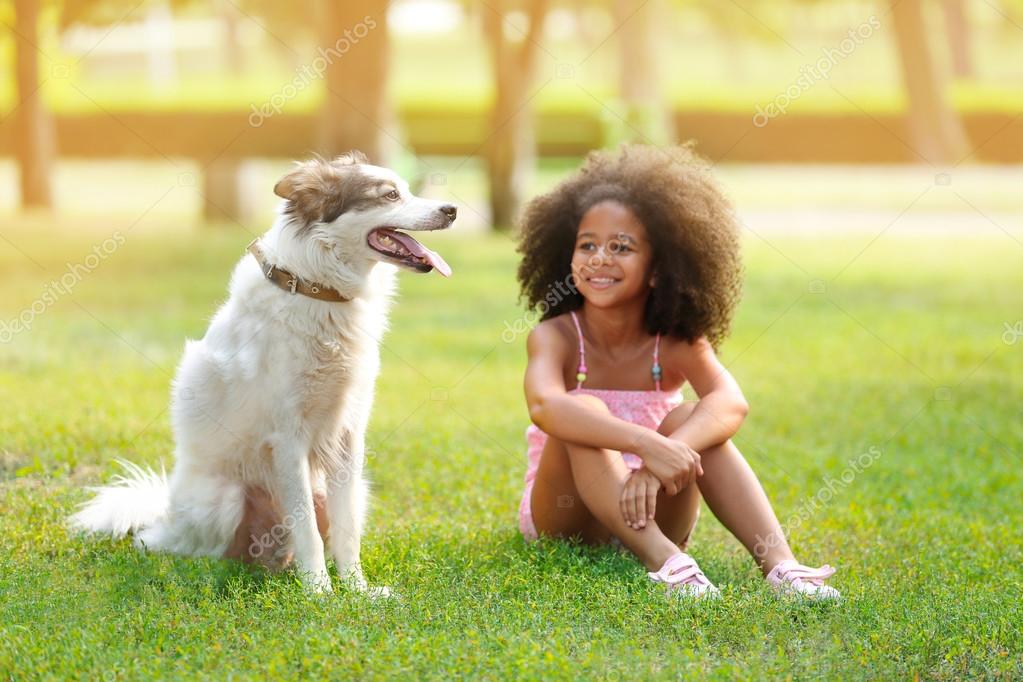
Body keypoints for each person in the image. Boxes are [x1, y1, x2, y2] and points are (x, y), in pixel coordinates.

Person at [516, 144, 839, 600]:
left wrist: (657, 461)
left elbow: (730, 402)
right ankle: (668, 565)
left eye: (621, 247)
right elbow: (545, 407)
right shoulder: (555, 336)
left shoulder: (676, 340)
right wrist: (645, 444)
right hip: (569, 518)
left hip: (655, 506)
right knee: (580, 408)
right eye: (586, 244)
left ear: (657, 270)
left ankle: (782, 566)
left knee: (692, 417)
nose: (599, 258)